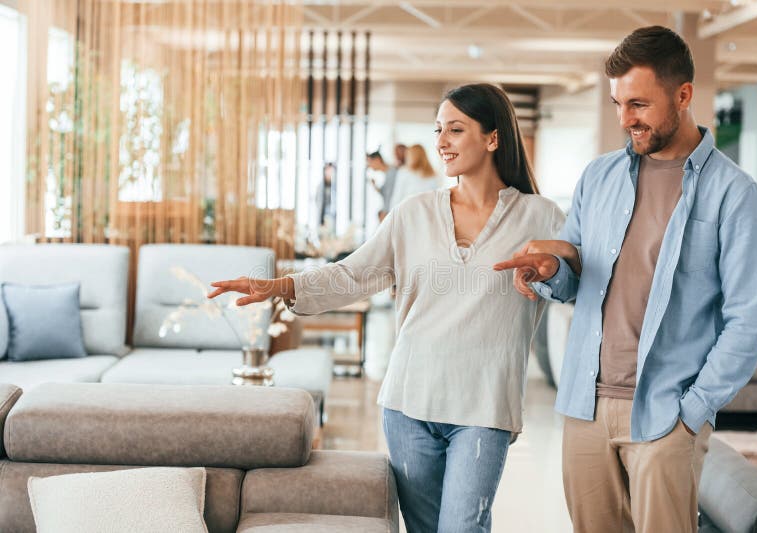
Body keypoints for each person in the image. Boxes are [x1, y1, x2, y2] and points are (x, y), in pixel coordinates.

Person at [208, 83, 564, 532]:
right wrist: (279, 284)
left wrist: (551, 269)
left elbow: (573, 284)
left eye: (456, 130)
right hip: (409, 403)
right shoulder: (412, 213)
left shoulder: (541, 216)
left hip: (485, 407)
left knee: (463, 527)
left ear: (493, 138)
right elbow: (352, 275)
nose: (441, 142)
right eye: (438, 130)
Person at [494, 26, 757, 533]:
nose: (625, 120)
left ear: (683, 95)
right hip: (585, 405)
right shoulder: (598, 177)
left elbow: (749, 320)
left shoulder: (735, 194)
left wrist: (694, 412)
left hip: (667, 412)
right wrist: (551, 270)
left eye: (639, 105)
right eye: (619, 103)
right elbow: (578, 276)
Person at [388, 144, 441, 210]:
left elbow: (396, 198)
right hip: (419, 214)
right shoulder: (433, 175)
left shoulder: (404, 173)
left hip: (412, 213)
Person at [367, 146, 404, 222]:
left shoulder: (392, 173)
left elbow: (390, 196)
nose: (369, 166)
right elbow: (385, 193)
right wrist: (375, 186)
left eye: (370, 162)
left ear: (377, 160)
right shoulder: (388, 173)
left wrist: (385, 212)